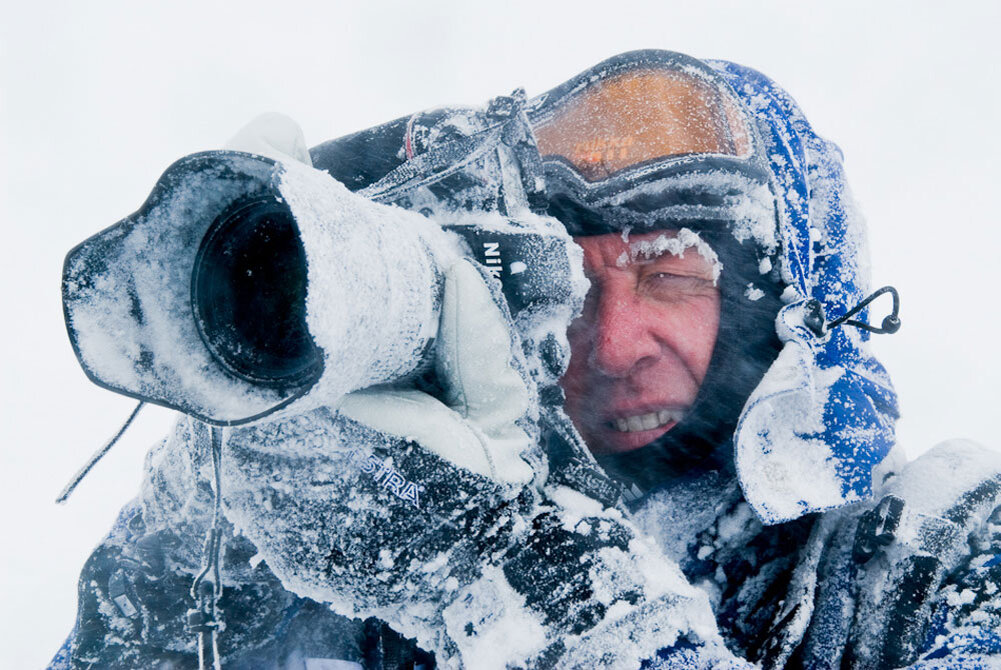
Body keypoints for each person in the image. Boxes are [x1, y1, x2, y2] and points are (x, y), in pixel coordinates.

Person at [50, 50, 1001, 669]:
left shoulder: (946, 559)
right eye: (575, 289)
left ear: (786, 306)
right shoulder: (381, 559)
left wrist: (504, 573)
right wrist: (206, 523)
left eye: (669, 274)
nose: (614, 344)